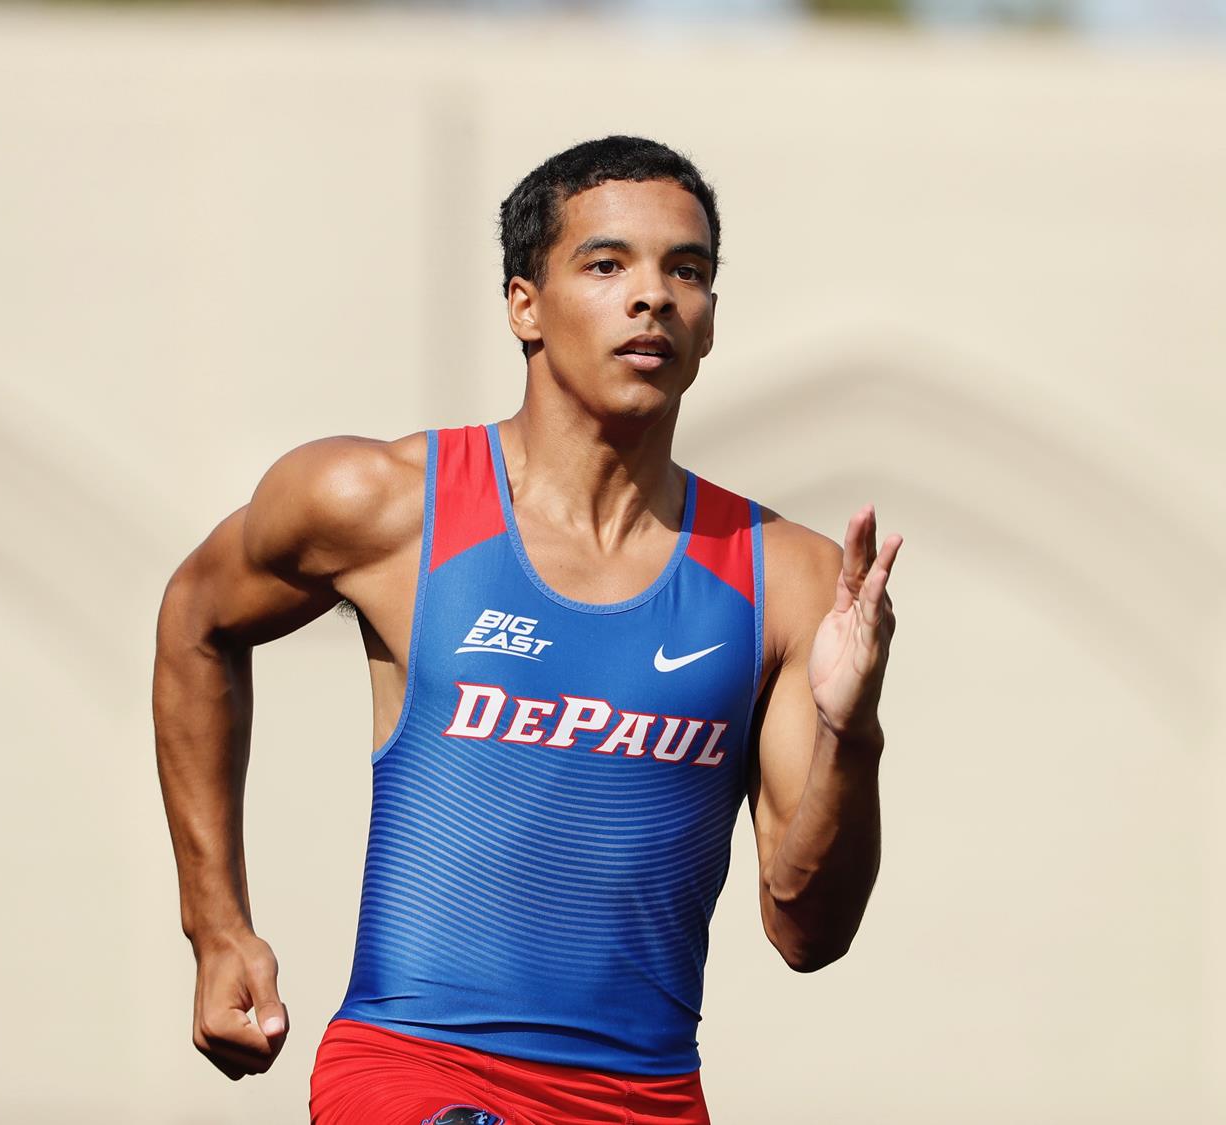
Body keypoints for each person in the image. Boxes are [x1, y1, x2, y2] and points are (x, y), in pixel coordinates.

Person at [152, 135, 901, 1125]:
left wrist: (854, 734)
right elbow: (195, 624)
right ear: (523, 304)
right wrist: (214, 925)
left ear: (711, 321)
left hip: (645, 1096)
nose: (653, 298)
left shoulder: (789, 580)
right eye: (606, 264)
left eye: (687, 272)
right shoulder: (384, 505)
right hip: (415, 1070)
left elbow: (807, 931)